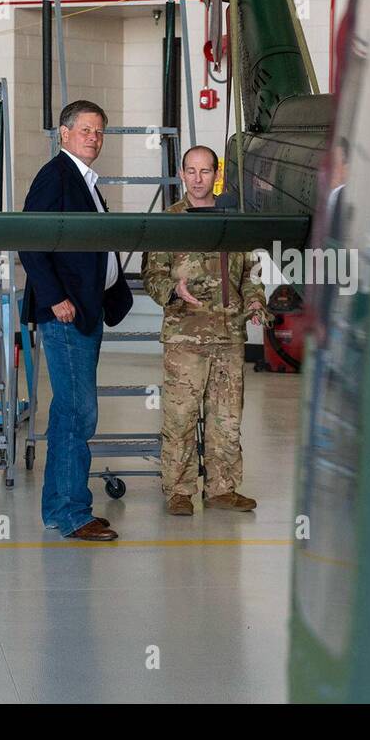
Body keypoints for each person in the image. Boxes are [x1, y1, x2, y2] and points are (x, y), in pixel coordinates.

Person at [19, 100, 133, 541]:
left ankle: (60, 508)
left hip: (85, 309)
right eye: (85, 129)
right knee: (77, 412)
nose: (93, 137)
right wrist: (55, 298)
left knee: (71, 411)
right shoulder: (56, 176)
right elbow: (30, 240)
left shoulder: (85, 182)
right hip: (65, 313)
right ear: (63, 134)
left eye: (99, 131)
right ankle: (71, 513)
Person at [142, 146, 266, 515]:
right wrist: (171, 290)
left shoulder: (234, 221)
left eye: (206, 171)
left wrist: (256, 301)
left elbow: (250, 273)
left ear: (217, 175)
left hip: (229, 337)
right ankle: (179, 491)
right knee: (179, 418)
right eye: (191, 171)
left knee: (226, 419)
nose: (198, 178)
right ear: (182, 174)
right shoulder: (168, 221)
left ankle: (221, 489)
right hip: (185, 338)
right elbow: (152, 275)